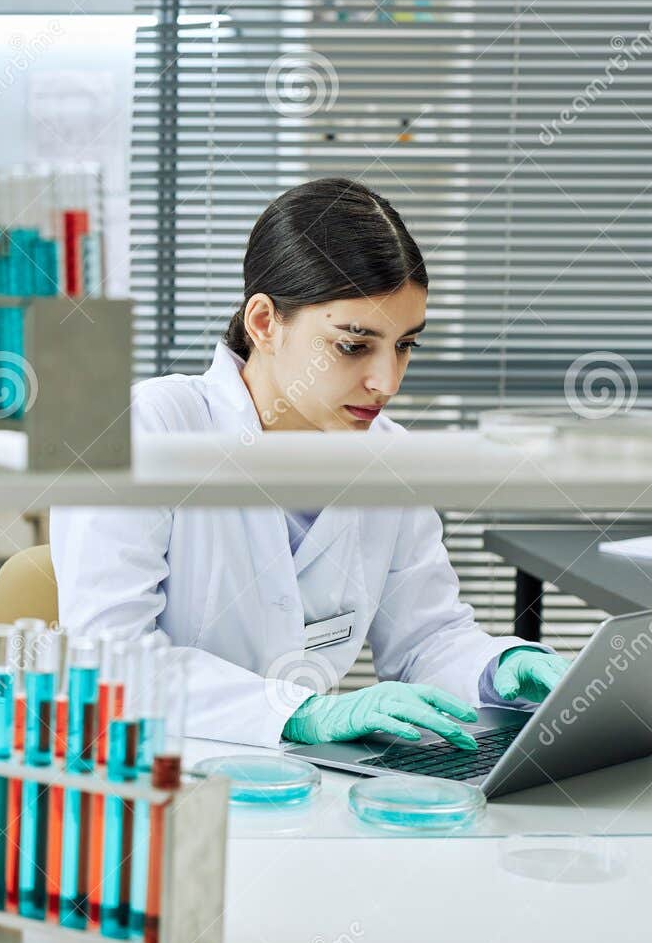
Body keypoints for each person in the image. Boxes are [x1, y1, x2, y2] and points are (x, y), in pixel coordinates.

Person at [51, 177, 569, 750]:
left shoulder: (386, 456)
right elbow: (107, 659)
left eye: (405, 345)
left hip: (305, 786)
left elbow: (425, 638)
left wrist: (498, 666)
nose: (387, 382)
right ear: (266, 323)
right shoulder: (152, 428)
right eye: (354, 345)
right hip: (158, 772)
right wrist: (296, 713)